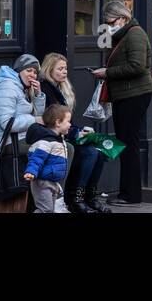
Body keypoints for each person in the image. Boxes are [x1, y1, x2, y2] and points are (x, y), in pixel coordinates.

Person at [92, 1, 152, 207]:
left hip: (134, 95)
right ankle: (127, 191)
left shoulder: (134, 34)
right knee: (125, 144)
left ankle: (131, 194)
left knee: (128, 145)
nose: (108, 26)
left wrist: (107, 73)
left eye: (110, 21)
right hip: (127, 94)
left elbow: (137, 66)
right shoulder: (124, 35)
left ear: (122, 18)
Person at [40, 52, 108, 214]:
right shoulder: (46, 89)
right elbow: (52, 123)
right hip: (52, 138)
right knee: (90, 152)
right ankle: (75, 199)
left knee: (100, 150)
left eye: (65, 68)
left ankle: (89, 196)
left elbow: (66, 122)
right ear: (49, 70)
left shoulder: (61, 88)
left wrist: (79, 130)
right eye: (60, 69)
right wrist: (75, 134)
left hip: (65, 134)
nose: (64, 72)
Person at [0, 53, 46, 213]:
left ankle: (48, 202)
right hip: (7, 143)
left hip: (22, 138)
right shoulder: (7, 87)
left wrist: (38, 96)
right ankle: (47, 204)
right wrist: (34, 120)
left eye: (35, 72)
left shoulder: (22, 88)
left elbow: (37, 116)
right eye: (29, 70)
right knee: (54, 149)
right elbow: (7, 123)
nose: (32, 75)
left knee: (64, 147)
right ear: (18, 70)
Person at [23, 104, 73, 214]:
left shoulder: (58, 139)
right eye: (68, 121)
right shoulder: (46, 142)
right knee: (45, 209)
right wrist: (31, 171)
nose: (70, 125)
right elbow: (36, 159)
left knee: (50, 209)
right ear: (58, 123)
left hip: (52, 182)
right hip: (43, 182)